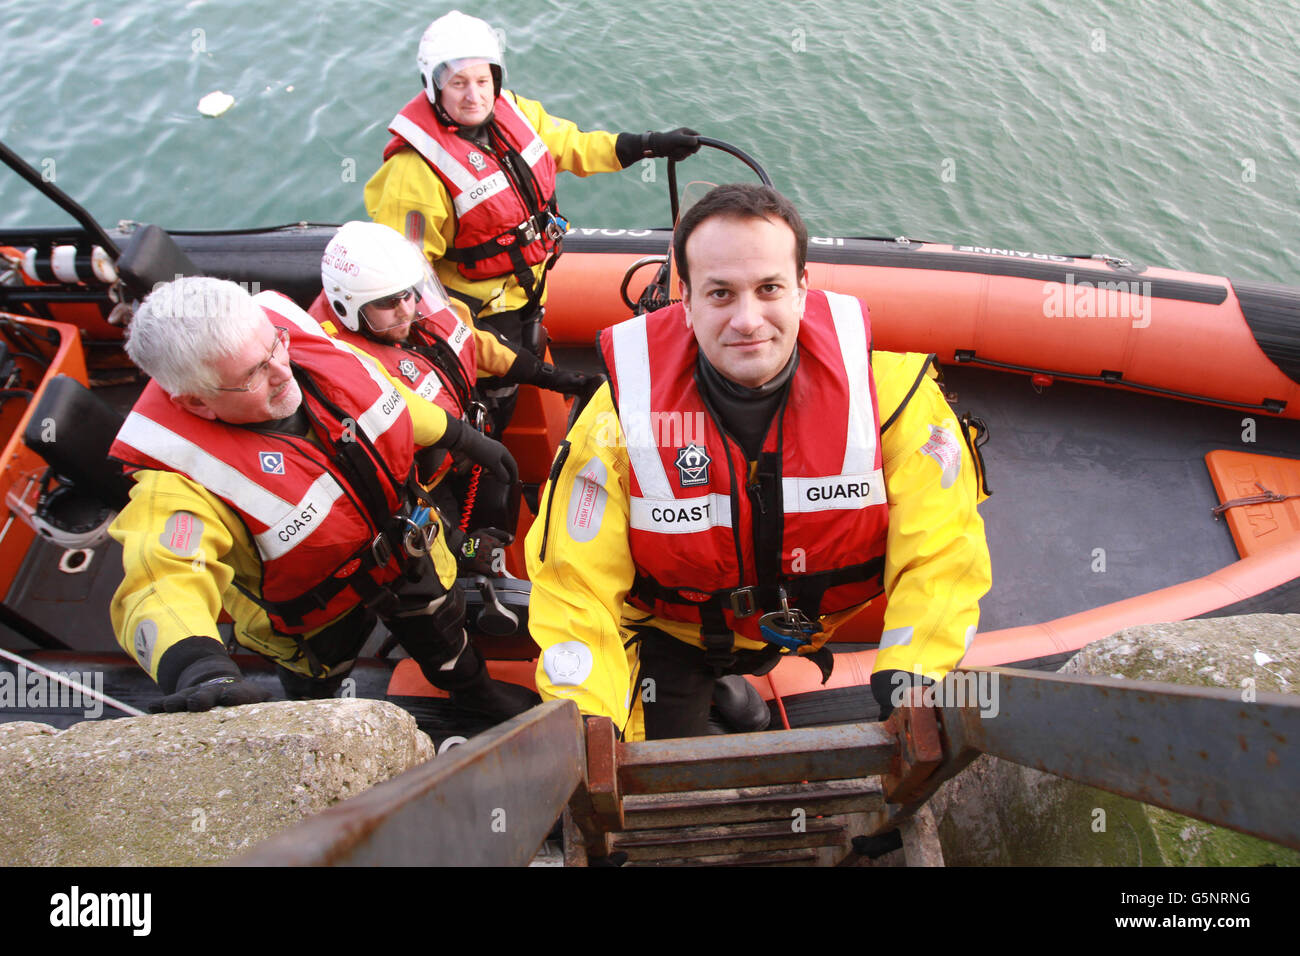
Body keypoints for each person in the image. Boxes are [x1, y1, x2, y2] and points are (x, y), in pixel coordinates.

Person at [524, 184, 992, 741]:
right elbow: (572, 583)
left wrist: (916, 676)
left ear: (801, 289)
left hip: (806, 624)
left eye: (768, 288)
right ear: (687, 300)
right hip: (675, 634)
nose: (747, 320)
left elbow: (943, 554)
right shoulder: (619, 418)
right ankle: (712, 685)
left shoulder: (891, 401)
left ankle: (736, 679)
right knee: (670, 748)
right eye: (720, 293)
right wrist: (585, 720)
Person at [108, 276, 538, 719]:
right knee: (319, 678)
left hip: (404, 541)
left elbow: (382, 395)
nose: (282, 369)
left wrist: (461, 435)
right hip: (316, 616)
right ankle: (321, 710)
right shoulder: (176, 484)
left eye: (274, 347)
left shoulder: (297, 345)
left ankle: (472, 690)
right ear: (196, 403)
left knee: (443, 629)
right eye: (254, 373)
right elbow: (160, 582)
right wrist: (199, 668)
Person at [365, 8, 699, 430]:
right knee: (491, 406)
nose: (474, 96)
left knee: (523, 368)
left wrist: (648, 145)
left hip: (527, 295)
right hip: (476, 318)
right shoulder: (411, 175)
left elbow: (572, 145)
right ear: (433, 88)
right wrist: (537, 372)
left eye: (483, 81)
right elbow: (416, 301)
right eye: (458, 84)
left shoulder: (516, 113)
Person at [309, 220, 595, 534]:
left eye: (409, 294)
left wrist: (557, 378)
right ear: (349, 306)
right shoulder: (338, 364)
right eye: (389, 303)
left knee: (500, 509)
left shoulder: (414, 313)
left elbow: (473, 340)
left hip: (466, 446)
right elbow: (384, 479)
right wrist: (458, 544)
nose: (406, 309)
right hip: (423, 491)